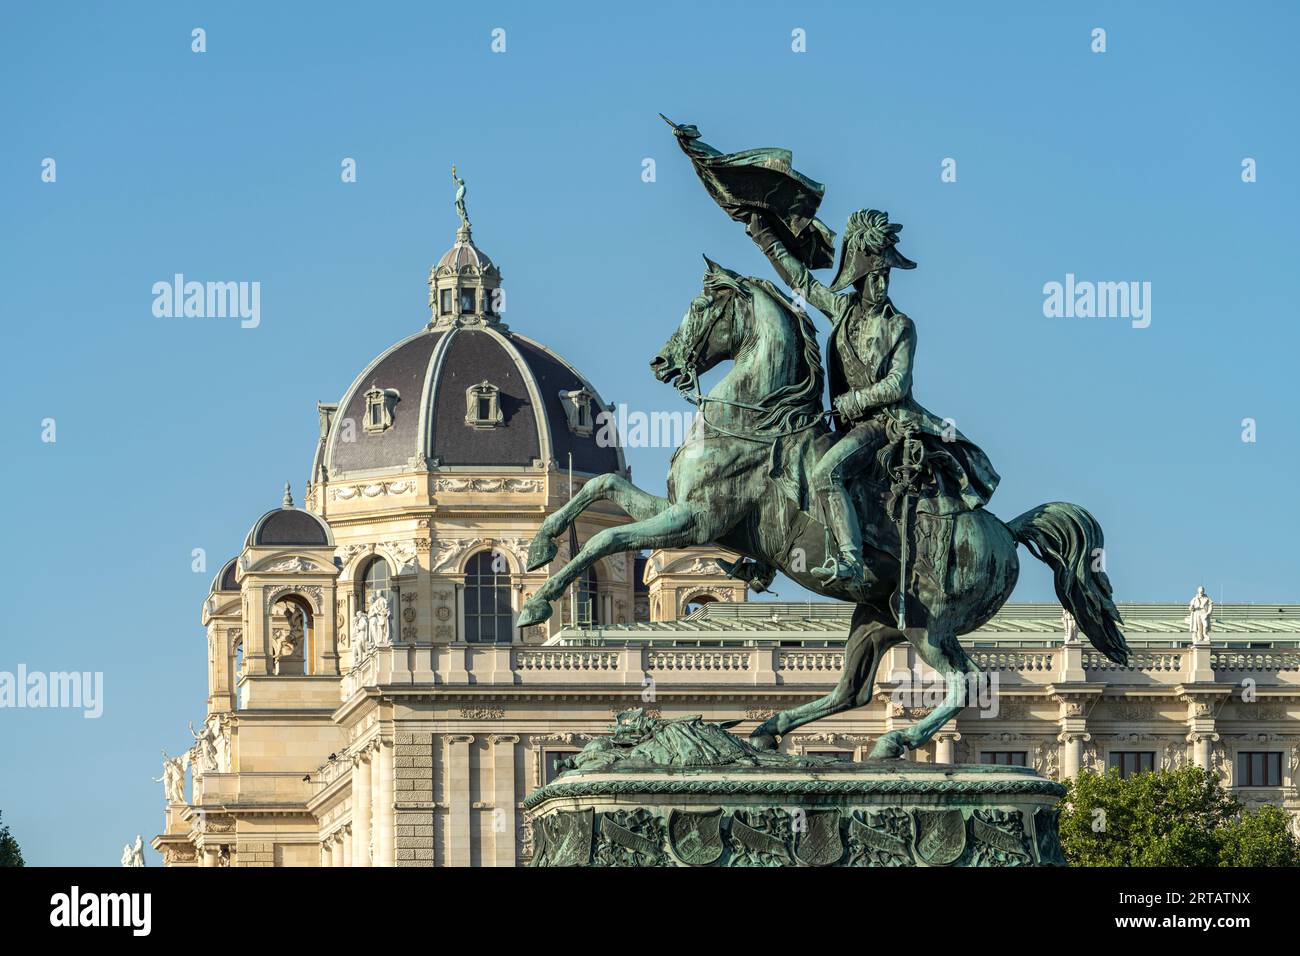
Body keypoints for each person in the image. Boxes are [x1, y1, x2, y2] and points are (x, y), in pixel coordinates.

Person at [746, 209, 999, 583]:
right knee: (782, 460)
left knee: (825, 475)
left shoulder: (900, 326)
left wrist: (855, 400)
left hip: (886, 423)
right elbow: (802, 281)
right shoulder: (843, 309)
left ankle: (849, 558)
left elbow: (898, 384)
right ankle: (767, 556)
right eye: (874, 278)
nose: (881, 285)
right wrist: (764, 237)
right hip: (846, 426)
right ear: (858, 279)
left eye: (885, 277)